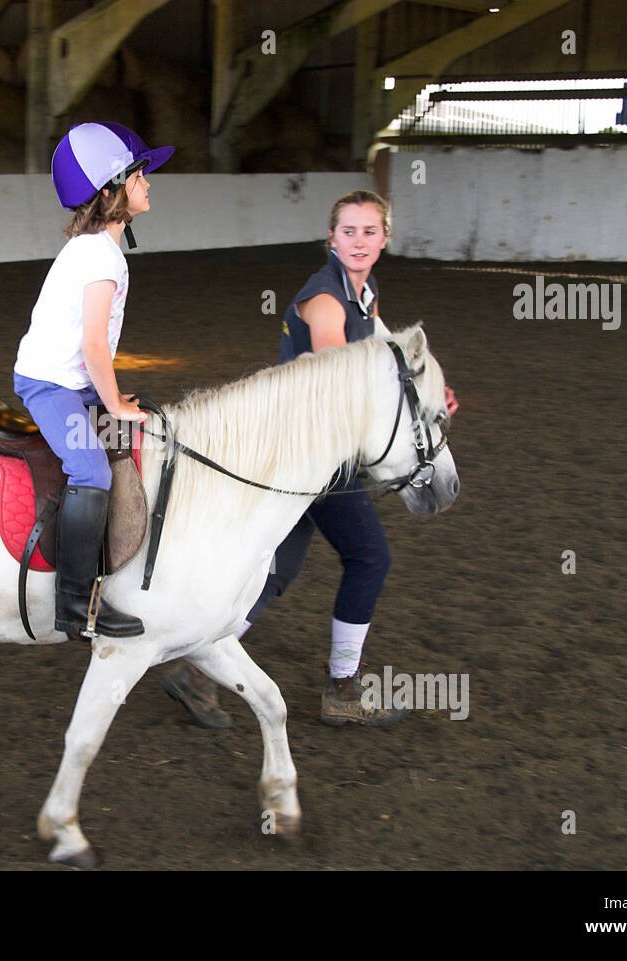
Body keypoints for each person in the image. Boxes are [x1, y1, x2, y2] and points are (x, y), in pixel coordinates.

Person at [161, 189, 459, 727]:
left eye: (370, 232)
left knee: (278, 567)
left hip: (303, 458)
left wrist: (431, 394)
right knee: (370, 558)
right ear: (332, 238)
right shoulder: (325, 300)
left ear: (385, 239)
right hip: (315, 461)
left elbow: (389, 350)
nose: (359, 241)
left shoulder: (362, 295)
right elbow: (337, 378)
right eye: (349, 231)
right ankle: (341, 689)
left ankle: (197, 672)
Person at [13, 122, 173, 640]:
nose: (148, 182)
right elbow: (94, 347)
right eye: (139, 174)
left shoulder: (98, 249)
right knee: (91, 470)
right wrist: (113, 404)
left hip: (74, 382)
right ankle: (76, 603)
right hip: (49, 385)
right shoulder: (99, 257)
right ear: (111, 192)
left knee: (127, 447)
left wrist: (108, 397)